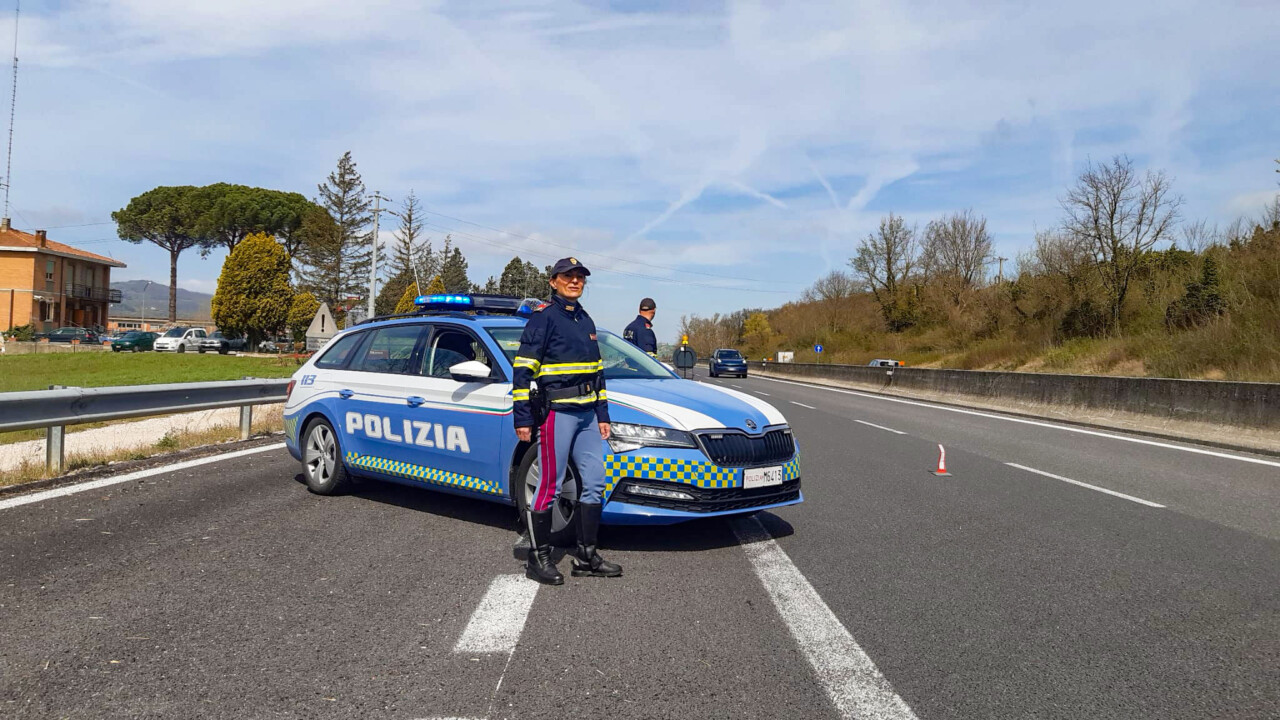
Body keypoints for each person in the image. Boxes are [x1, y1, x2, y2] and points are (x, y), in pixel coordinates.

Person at [512, 257, 622, 585]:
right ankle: (538, 558)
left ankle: (586, 556)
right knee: (550, 485)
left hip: (588, 416)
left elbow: (597, 374)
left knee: (595, 482)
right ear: (553, 281)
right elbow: (522, 371)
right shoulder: (543, 319)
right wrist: (523, 418)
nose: (575, 281)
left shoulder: (585, 319)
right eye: (567, 276)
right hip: (556, 414)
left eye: (579, 277)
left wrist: (603, 415)